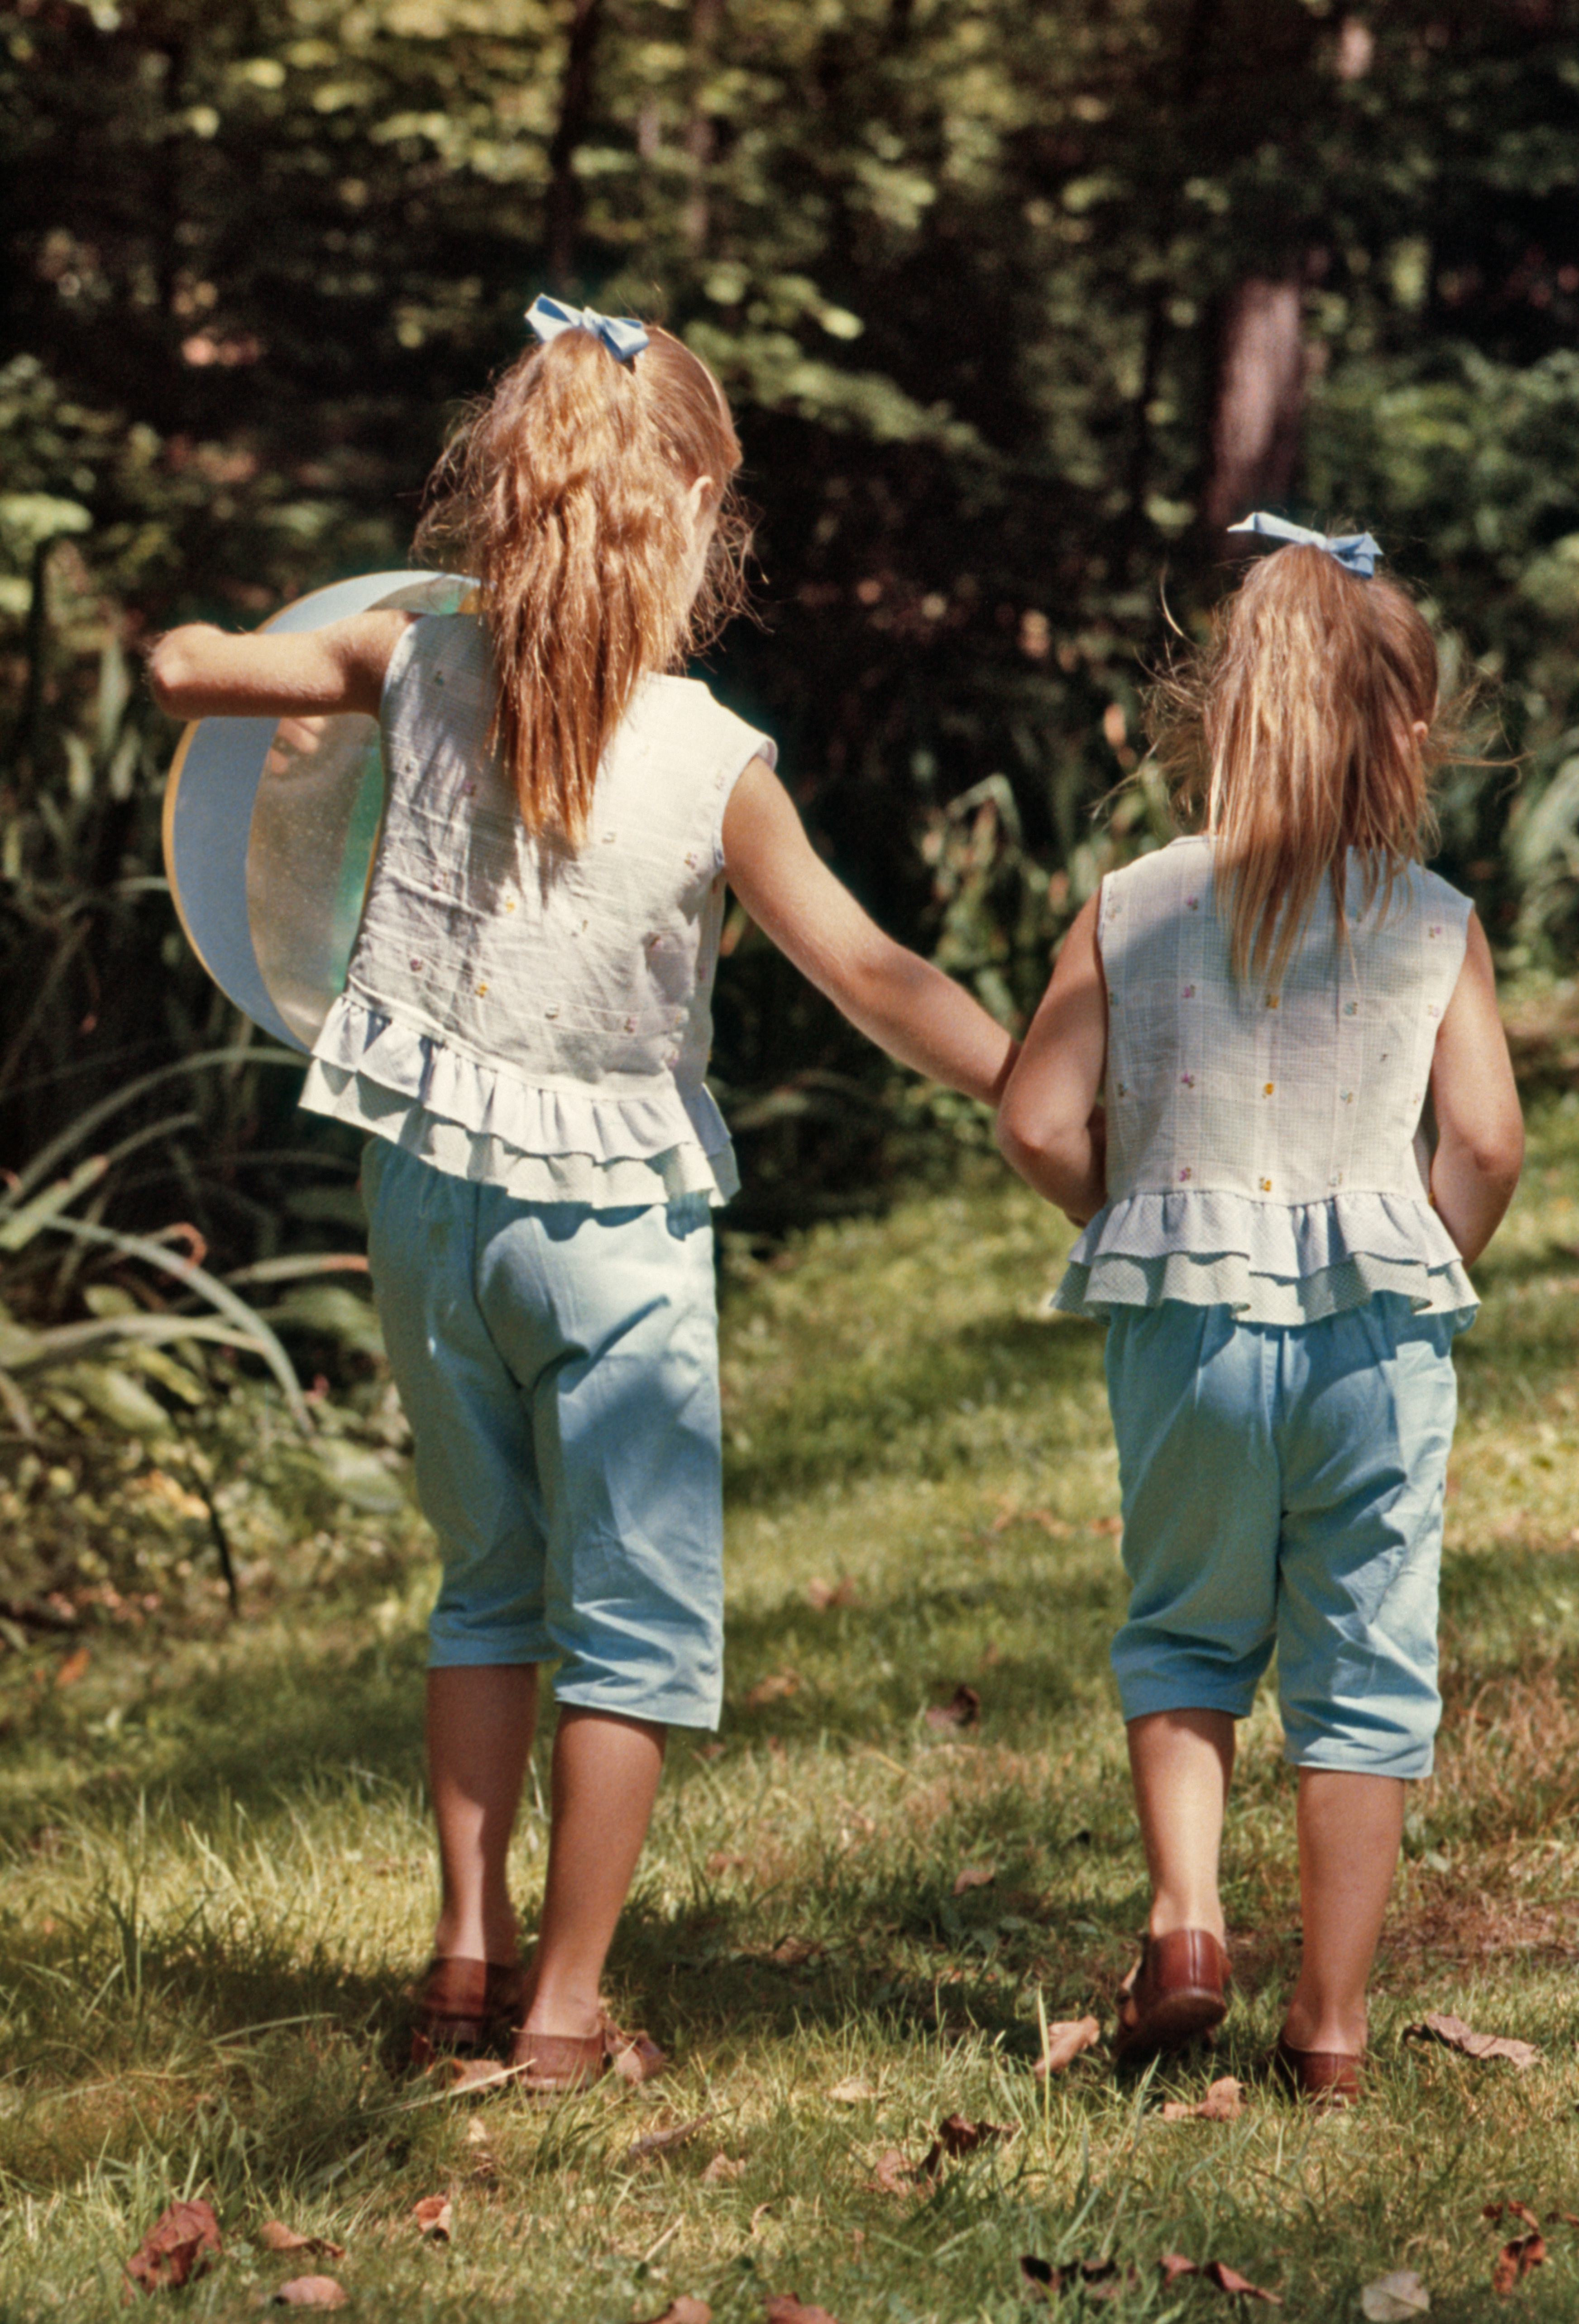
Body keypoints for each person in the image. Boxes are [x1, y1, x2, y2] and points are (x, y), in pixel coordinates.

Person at [148, 298, 1017, 2093]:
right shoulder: (712, 760)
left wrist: (244, 662)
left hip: (423, 1214)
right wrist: (1035, 1087)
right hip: (608, 1234)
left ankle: (459, 1962)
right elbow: (871, 973)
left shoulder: (412, 663)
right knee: (628, 1618)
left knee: (485, 1589)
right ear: (696, 509)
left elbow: (182, 673)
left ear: (506, 496)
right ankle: (561, 2012)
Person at [995, 519, 1523, 2103]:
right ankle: (1334, 2032)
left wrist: (1138, 1218)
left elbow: (1032, 1118)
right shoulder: (1433, 917)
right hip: (1377, 1330)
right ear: (1407, 731)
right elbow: (1487, 1142)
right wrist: (1428, 1251)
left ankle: (1189, 1926)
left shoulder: (1133, 904)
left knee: (1184, 1628)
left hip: (1187, 1329)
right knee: (1364, 1662)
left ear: (1219, 714)